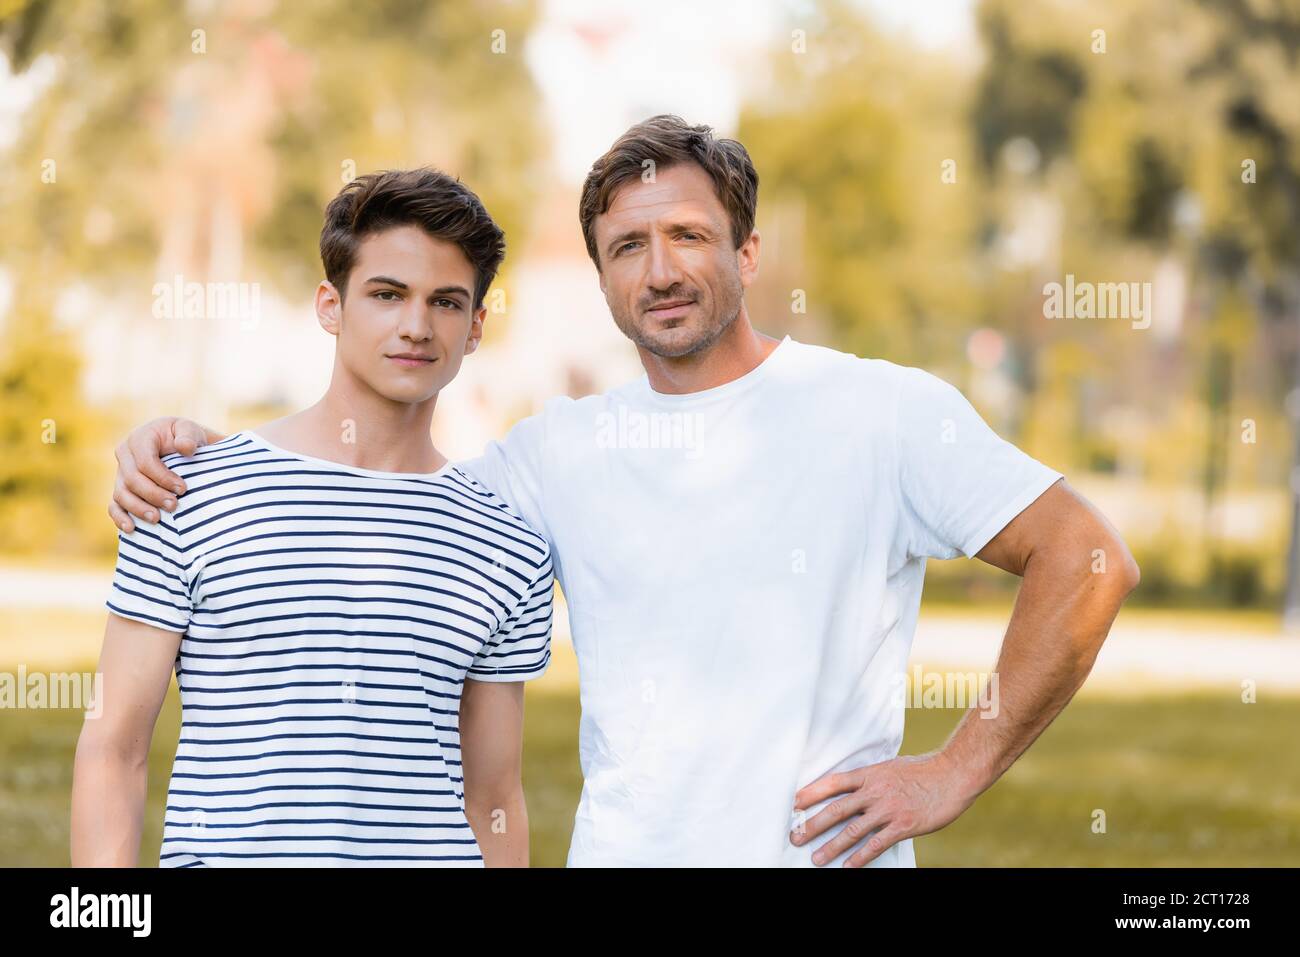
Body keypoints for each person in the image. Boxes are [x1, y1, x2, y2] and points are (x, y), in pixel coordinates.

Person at [107, 115, 1139, 868]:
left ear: (745, 250)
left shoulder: (880, 411)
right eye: (626, 247)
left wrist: (952, 770)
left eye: (687, 235)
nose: (660, 270)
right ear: (601, 278)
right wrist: (187, 449)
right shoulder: (555, 452)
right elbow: (380, 491)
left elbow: (1088, 557)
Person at [74, 168, 554, 867]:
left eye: (446, 302)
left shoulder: (507, 544)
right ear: (331, 305)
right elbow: (112, 747)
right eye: (387, 295)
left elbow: (494, 796)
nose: (416, 326)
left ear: (476, 326)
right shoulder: (185, 494)